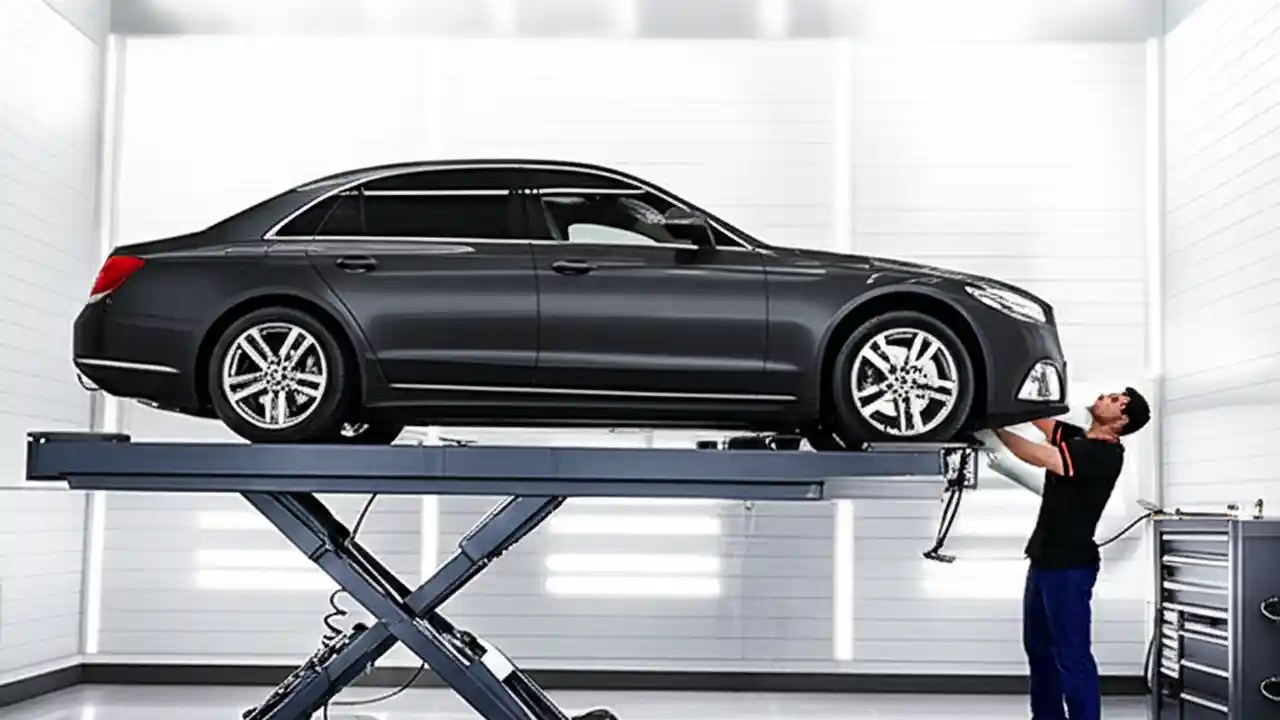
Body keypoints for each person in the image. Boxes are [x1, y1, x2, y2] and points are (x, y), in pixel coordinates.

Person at [994, 388, 1151, 720]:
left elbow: (1038, 455)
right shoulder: (1081, 438)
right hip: (1043, 560)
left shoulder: (1103, 455)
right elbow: (1043, 424)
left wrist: (993, 427)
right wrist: (1000, 400)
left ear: (1121, 420)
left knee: (1071, 654)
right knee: (1038, 650)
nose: (1104, 396)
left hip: (1068, 568)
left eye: (1114, 399)